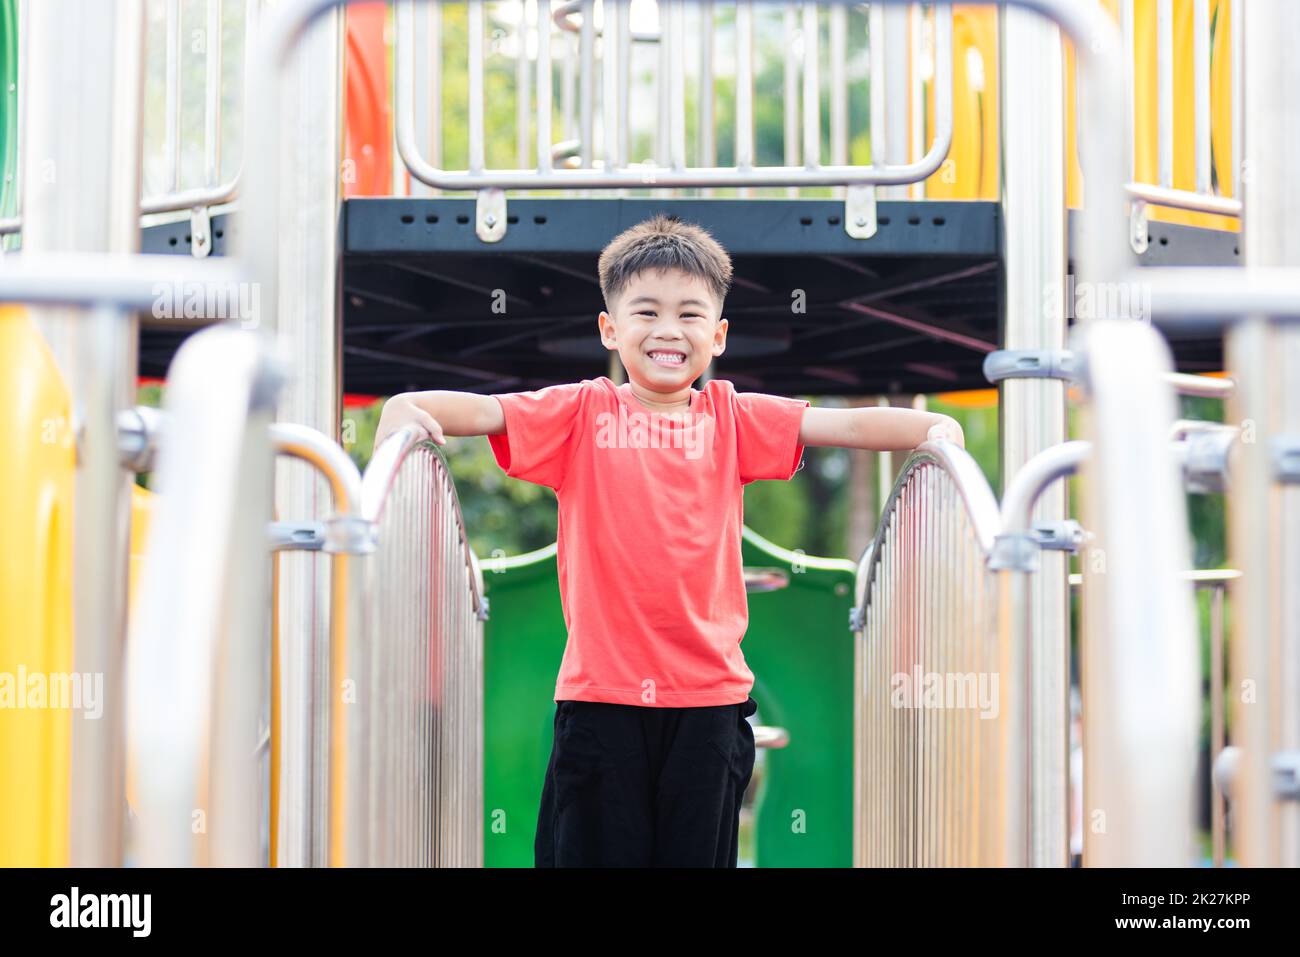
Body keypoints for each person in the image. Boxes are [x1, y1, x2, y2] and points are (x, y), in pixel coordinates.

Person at [373, 213, 965, 867]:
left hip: (709, 700)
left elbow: (837, 427)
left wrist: (931, 429)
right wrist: (407, 407)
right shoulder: (581, 412)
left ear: (717, 335)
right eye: (646, 311)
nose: (666, 330)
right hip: (602, 699)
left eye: (689, 315)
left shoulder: (732, 417)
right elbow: (486, 411)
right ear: (610, 327)